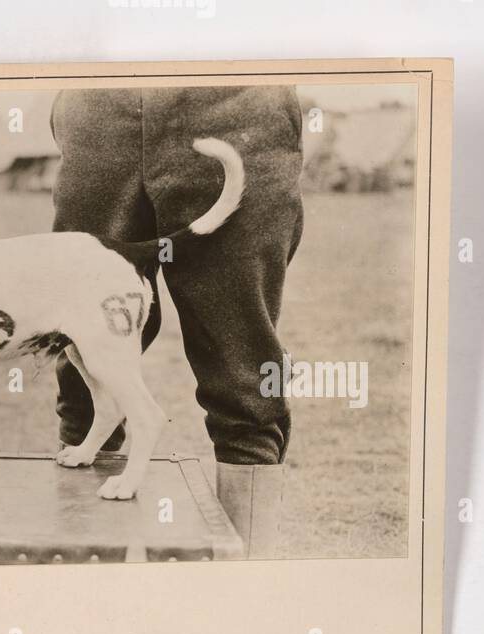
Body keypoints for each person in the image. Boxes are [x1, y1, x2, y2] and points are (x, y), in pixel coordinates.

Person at [50, 86, 305, 558]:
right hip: (99, 112)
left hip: (237, 103)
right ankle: (93, 590)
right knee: (85, 365)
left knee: (244, 377)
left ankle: (250, 590)